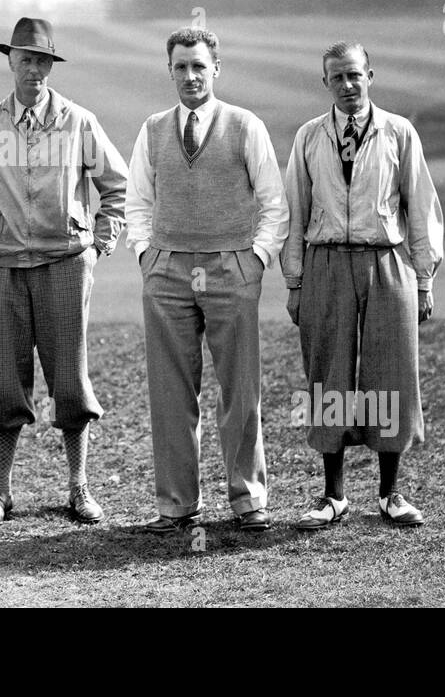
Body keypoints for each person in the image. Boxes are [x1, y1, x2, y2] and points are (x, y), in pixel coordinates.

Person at [0, 17, 128, 524]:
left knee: (70, 378)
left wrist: (102, 238)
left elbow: (118, 184)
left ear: (50, 66)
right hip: (6, 266)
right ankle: (0, 494)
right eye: (26, 59)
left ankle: (79, 488)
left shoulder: (78, 122)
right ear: (11, 62)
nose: (35, 69)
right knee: (5, 380)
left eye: (43, 60)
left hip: (65, 263)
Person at [124, 26, 289, 533]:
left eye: (199, 66)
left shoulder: (244, 125)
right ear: (169, 70)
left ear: (216, 69)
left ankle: (248, 499)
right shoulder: (152, 129)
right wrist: (146, 256)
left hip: (231, 268)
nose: (190, 75)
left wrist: (255, 260)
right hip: (167, 271)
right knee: (171, 390)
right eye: (180, 67)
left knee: (240, 388)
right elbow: (138, 201)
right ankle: (176, 505)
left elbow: (273, 202)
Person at [282, 42, 444, 530]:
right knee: (328, 373)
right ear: (325, 83)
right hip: (326, 262)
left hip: (387, 261)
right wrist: (294, 280)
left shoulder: (398, 132)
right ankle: (333, 496)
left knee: (390, 370)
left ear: (370, 75)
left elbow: (420, 206)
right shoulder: (310, 136)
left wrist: (424, 279)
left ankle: (390, 494)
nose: (347, 86)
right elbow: (295, 209)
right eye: (337, 78)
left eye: (355, 75)